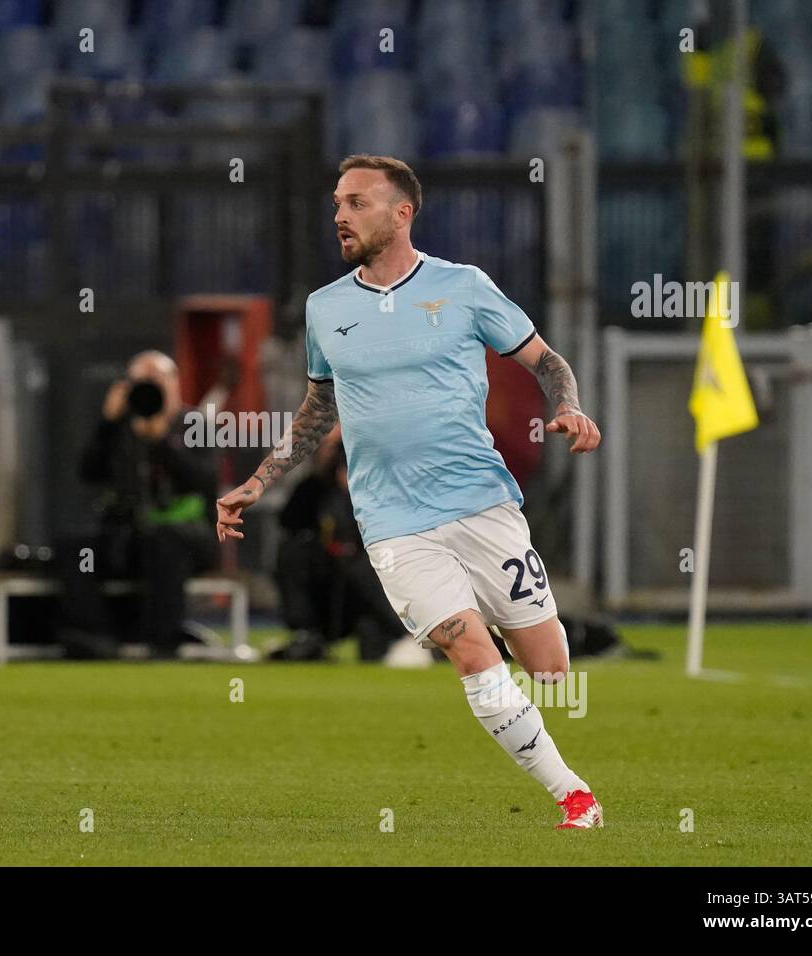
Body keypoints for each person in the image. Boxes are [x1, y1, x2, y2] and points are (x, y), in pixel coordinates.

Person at [216, 155, 605, 830]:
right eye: (337, 202)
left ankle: (517, 651)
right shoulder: (326, 308)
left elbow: (545, 359)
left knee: (549, 668)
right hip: (393, 523)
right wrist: (258, 480)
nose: (340, 214)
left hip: (482, 504)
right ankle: (574, 796)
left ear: (402, 213)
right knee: (469, 652)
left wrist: (568, 406)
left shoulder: (464, 288)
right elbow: (318, 409)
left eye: (358, 202)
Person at [59, 350, 217, 659]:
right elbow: (88, 472)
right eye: (139, 383)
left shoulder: (195, 423)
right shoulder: (119, 429)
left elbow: (205, 481)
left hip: (189, 536)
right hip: (130, 535)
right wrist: (107, 423)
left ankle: (163, 642)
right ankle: (95, 637)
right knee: (76, 549)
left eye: (155, 381)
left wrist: (161, 442)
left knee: (163, 541)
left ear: (175, 383)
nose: (148, 388)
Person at [272, 428, 409, 662]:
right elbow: (289, 520)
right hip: (326, 586)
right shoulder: (314, 489)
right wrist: (322, 473)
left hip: (367, 589)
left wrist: (354, 488)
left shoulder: (380, 489)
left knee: (368, 568)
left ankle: (408, 634)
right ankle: (305, 635)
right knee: (293, 552)